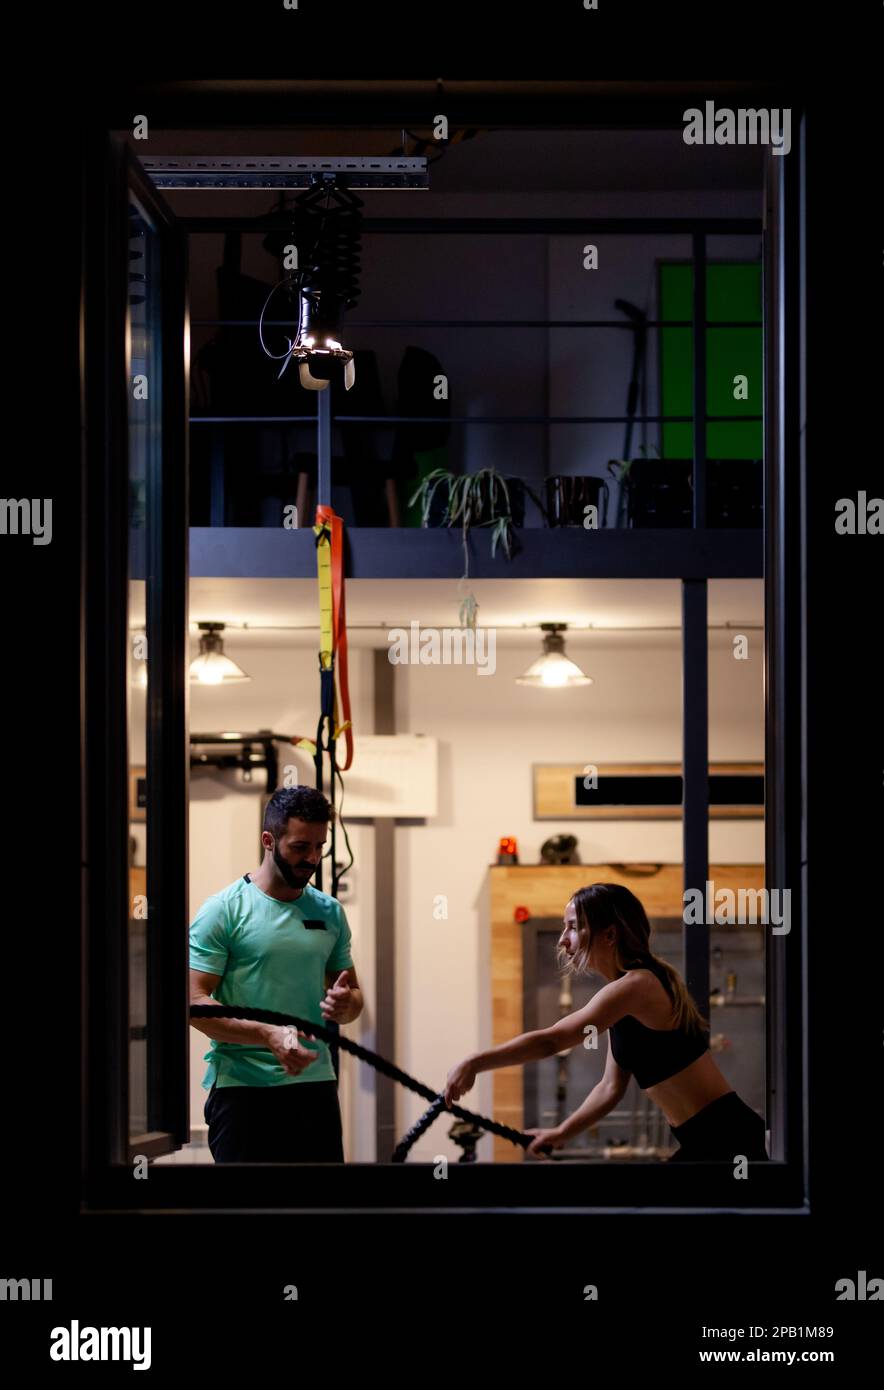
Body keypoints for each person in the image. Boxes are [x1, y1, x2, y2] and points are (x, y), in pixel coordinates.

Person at [444, 883, 768, 1163]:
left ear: (609, 934)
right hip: (705, 1141)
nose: (562, 940)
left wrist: (475, 1062)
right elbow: (610, 1088)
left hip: (728, 1139)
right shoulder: (625, 996)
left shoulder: (637, 985)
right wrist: (561, 1133)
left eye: (572, 926)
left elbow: (553, 1041)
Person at [189, 785, 363, 1163]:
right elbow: (194, 1004)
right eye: (300, 847)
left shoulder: (330, 912)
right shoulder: (223, 911)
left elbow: (352, 1000)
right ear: (269, 840)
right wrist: (266, 1035)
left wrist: (347, 1004)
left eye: (320, 846)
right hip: (243, 1091)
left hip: (314, 1088)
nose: (312, 858)